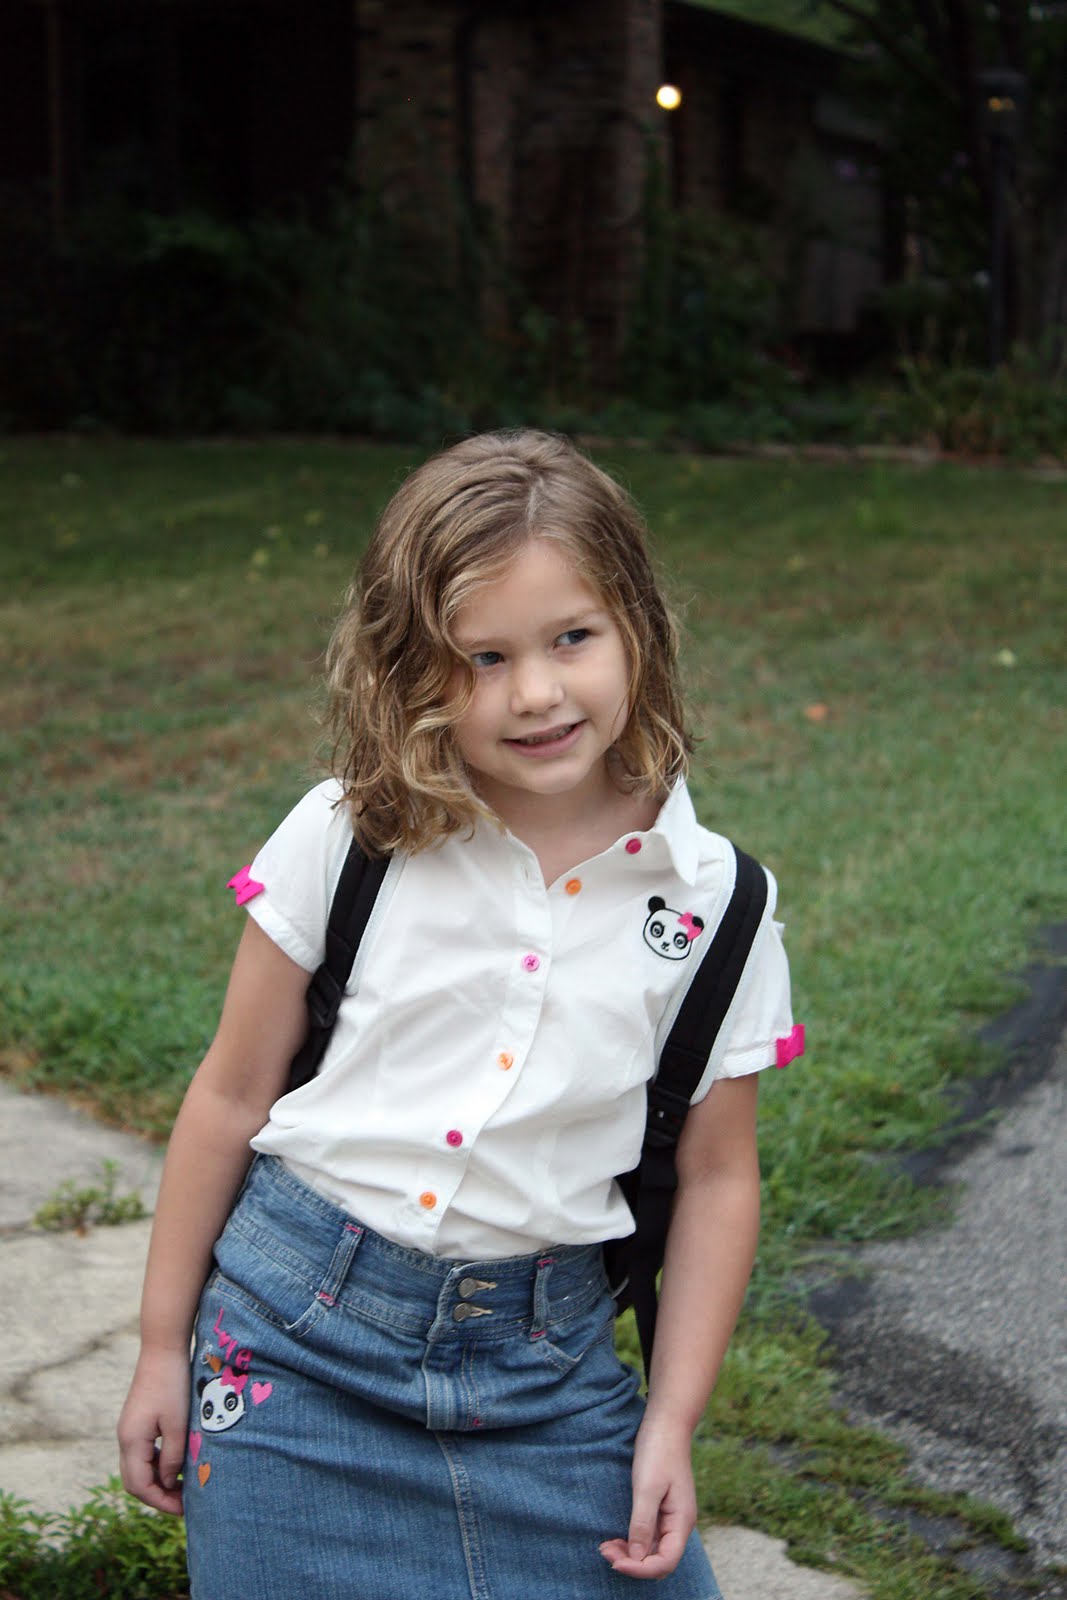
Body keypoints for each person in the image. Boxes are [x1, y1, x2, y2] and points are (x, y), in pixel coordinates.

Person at [118, 429, 800, 1599]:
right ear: (407, 669)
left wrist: (672, 1419)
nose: (534, 693)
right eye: (480, 657)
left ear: (637, 625)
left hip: (549, 1379)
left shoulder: (716, 903)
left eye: (571, 637)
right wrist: (155, 1346)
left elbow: (717, 1176)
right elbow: (228, 1094)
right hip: (292, 1351)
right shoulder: (349, 835)